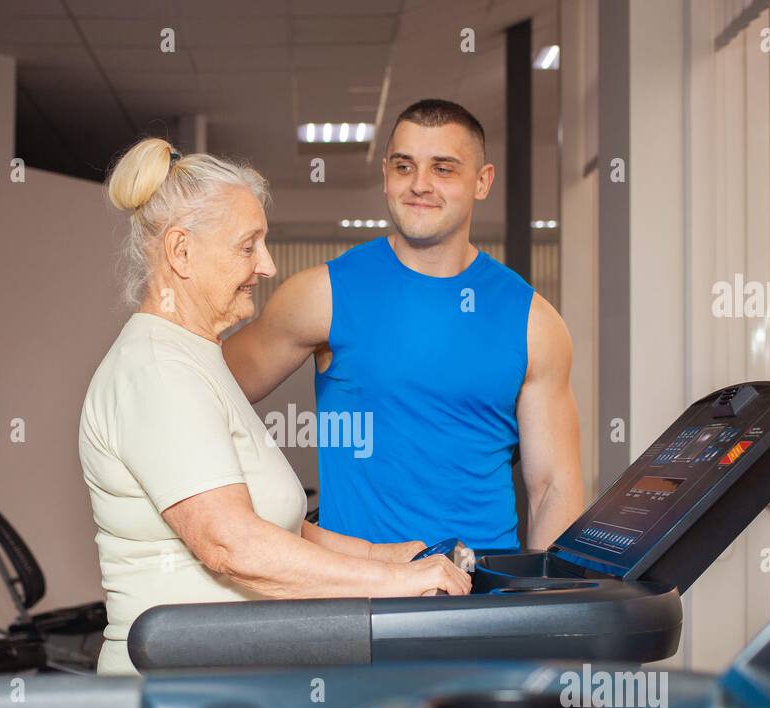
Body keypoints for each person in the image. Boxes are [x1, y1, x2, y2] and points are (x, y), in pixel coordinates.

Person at [79, 137, 472, 708]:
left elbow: (273, 524)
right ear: (181, 251)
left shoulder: (198, 361)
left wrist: (400, 557)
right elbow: (229, 544)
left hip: (224, 698)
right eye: (249, 246)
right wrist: (396, 585)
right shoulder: (155, 371)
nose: (265, 266)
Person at [224, 99, 585, 552]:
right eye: (404, 166)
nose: (419, 185)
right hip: (359, 597)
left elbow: (553, 489)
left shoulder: (533, 321)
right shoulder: (323, 295)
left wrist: (542, 612)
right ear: (385, 175)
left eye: (444, 169)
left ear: (482, 181)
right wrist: (258, 513)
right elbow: (205, 389)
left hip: (480, 602)